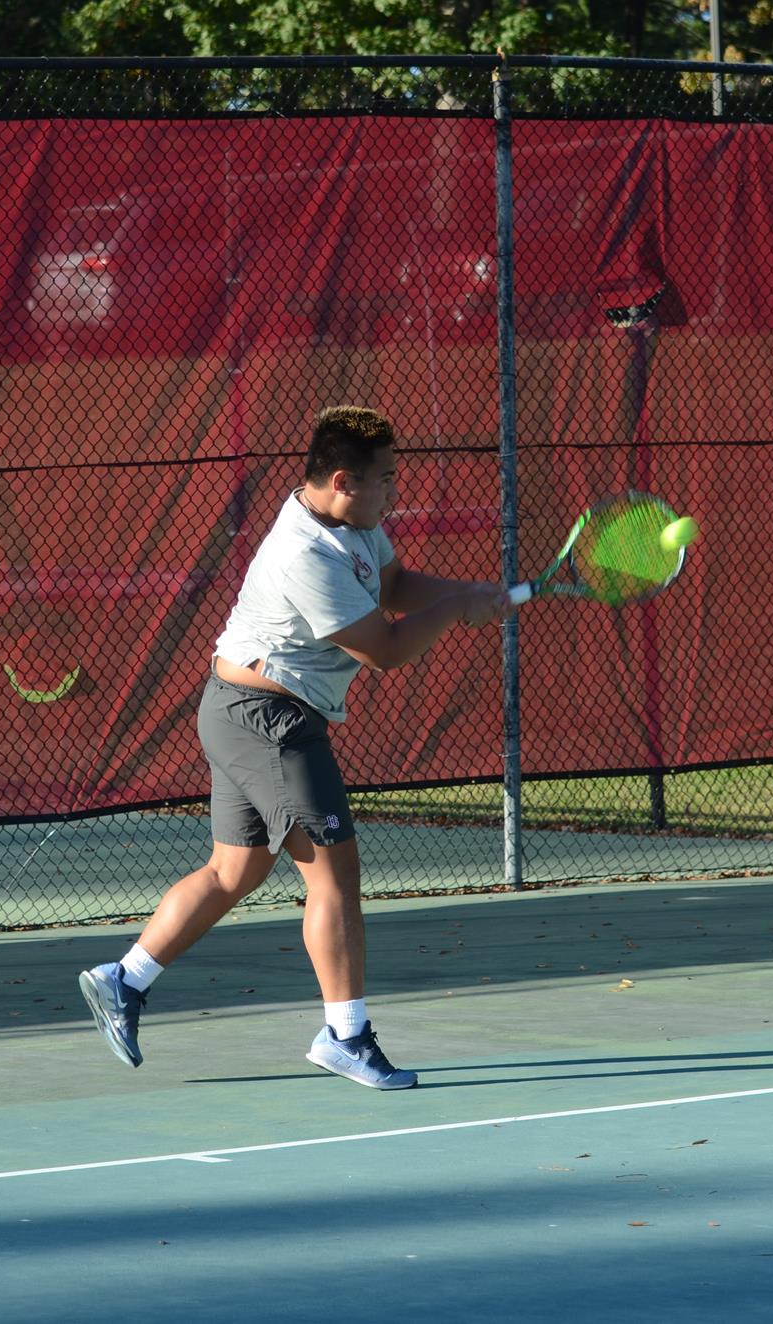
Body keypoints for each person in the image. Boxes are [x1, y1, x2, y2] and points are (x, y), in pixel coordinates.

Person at [78, 405, 509, 1089]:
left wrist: (462, 591)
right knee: (334, 879)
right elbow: (384, 648)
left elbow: (394, 588)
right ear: (343, 479)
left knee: (234, 872)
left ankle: (123, 979)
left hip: (239, 708)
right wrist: (456, 611)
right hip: (266, 719)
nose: (395, 493)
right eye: (386, 480)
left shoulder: (351, 525)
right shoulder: (305, 553)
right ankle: (346, 1035)